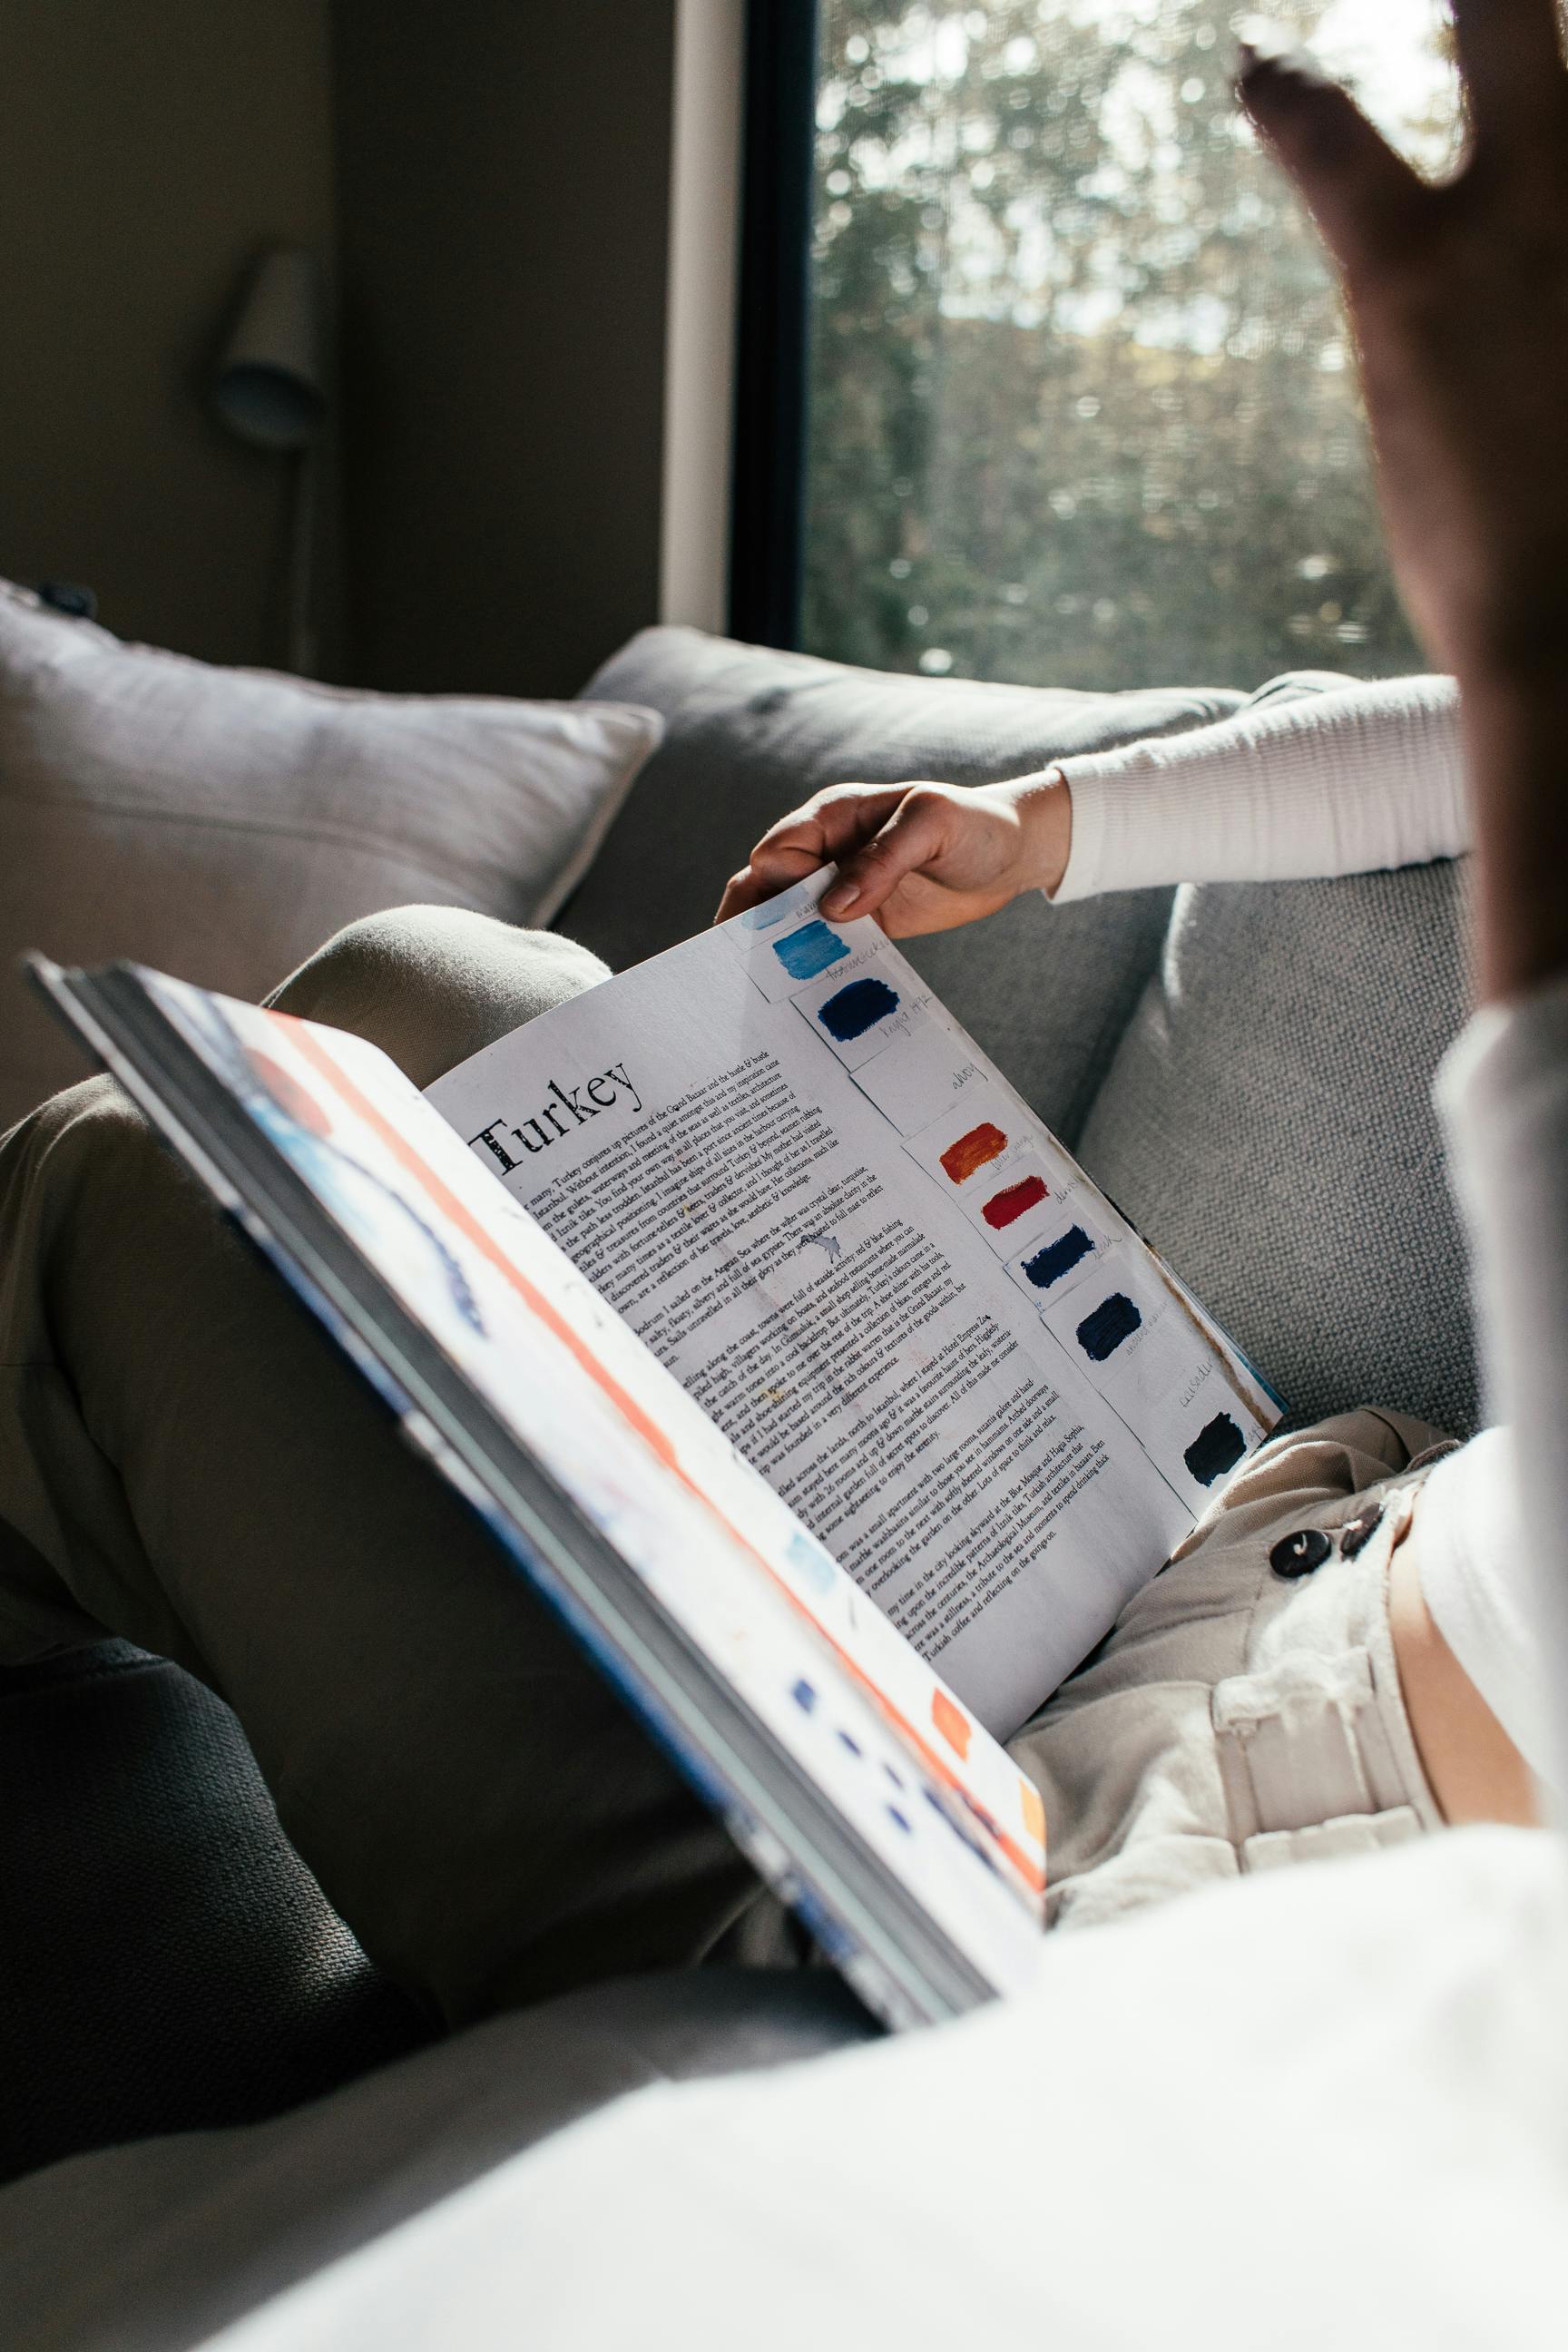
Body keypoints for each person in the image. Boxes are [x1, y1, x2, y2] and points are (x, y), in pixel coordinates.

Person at [1, 4, 1564, 2029]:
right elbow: (1476, 753)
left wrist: (1527, 608)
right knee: (436, 993)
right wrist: (1038, 832)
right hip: (1255, 1531)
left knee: (133, 1189)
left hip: (1118, 1916)